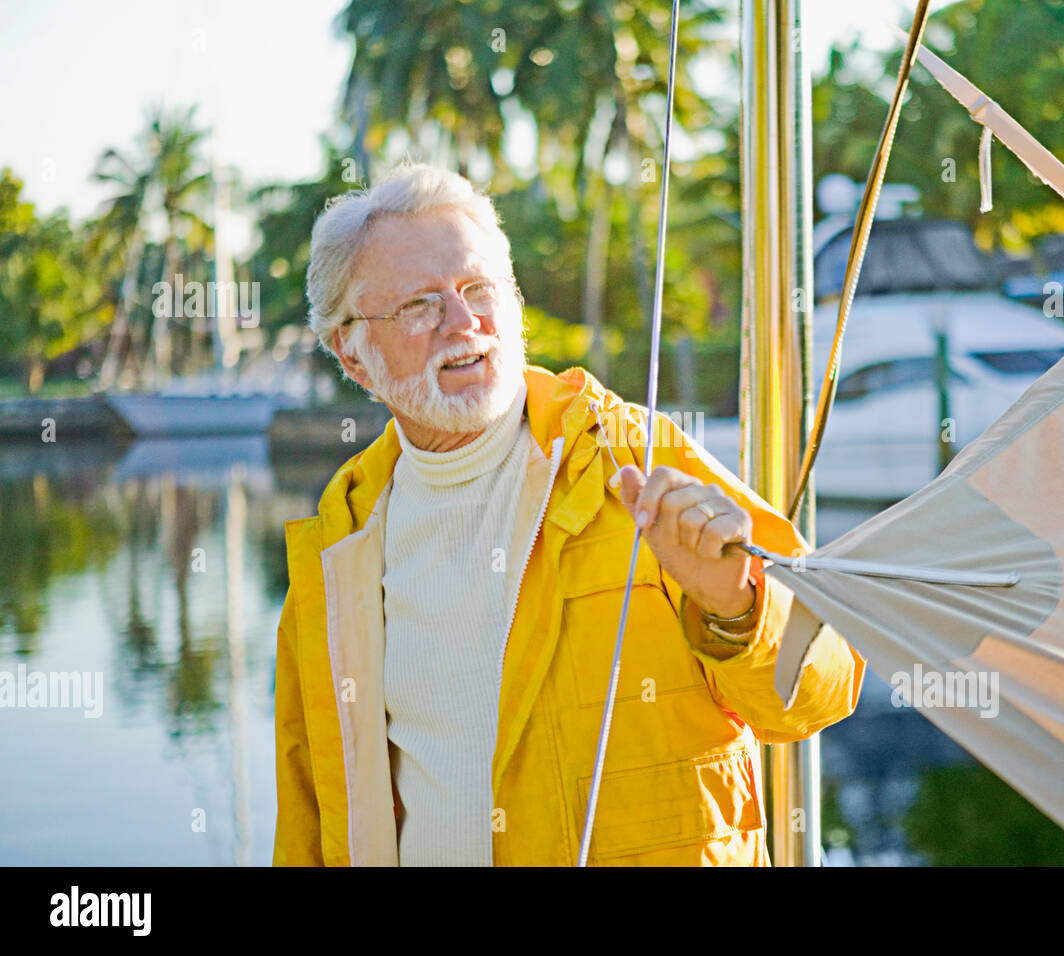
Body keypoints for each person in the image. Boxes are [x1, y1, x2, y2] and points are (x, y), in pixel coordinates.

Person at [272, 162, 865, 866]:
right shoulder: (340, 542)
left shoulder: (633, 458)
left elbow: (817, 697)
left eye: (479, 289)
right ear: (354, 353)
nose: (464, 324)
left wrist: (736, 603)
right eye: (420, 306)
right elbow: (312, 815)